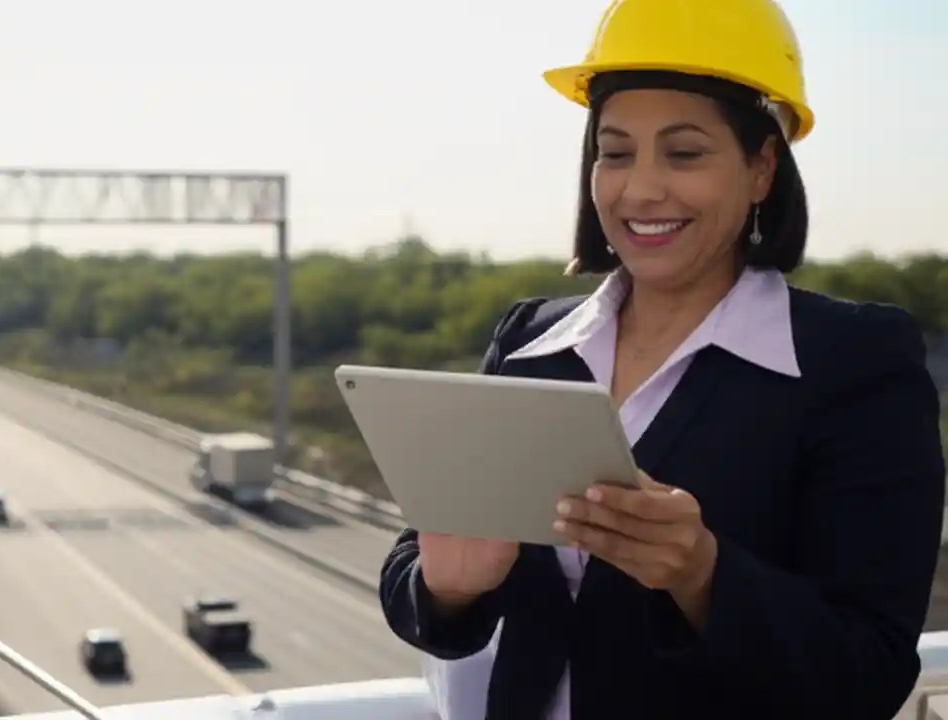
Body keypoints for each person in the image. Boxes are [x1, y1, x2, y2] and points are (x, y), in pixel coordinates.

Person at [378, 2, 947, 719]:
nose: (640, 189)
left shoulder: (851, 365)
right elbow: (419, 583)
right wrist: (450, 587)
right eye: (615, 153)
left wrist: (703, 575)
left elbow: (868, 673)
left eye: (684, 153)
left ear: (762, 167)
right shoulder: (531, 348)